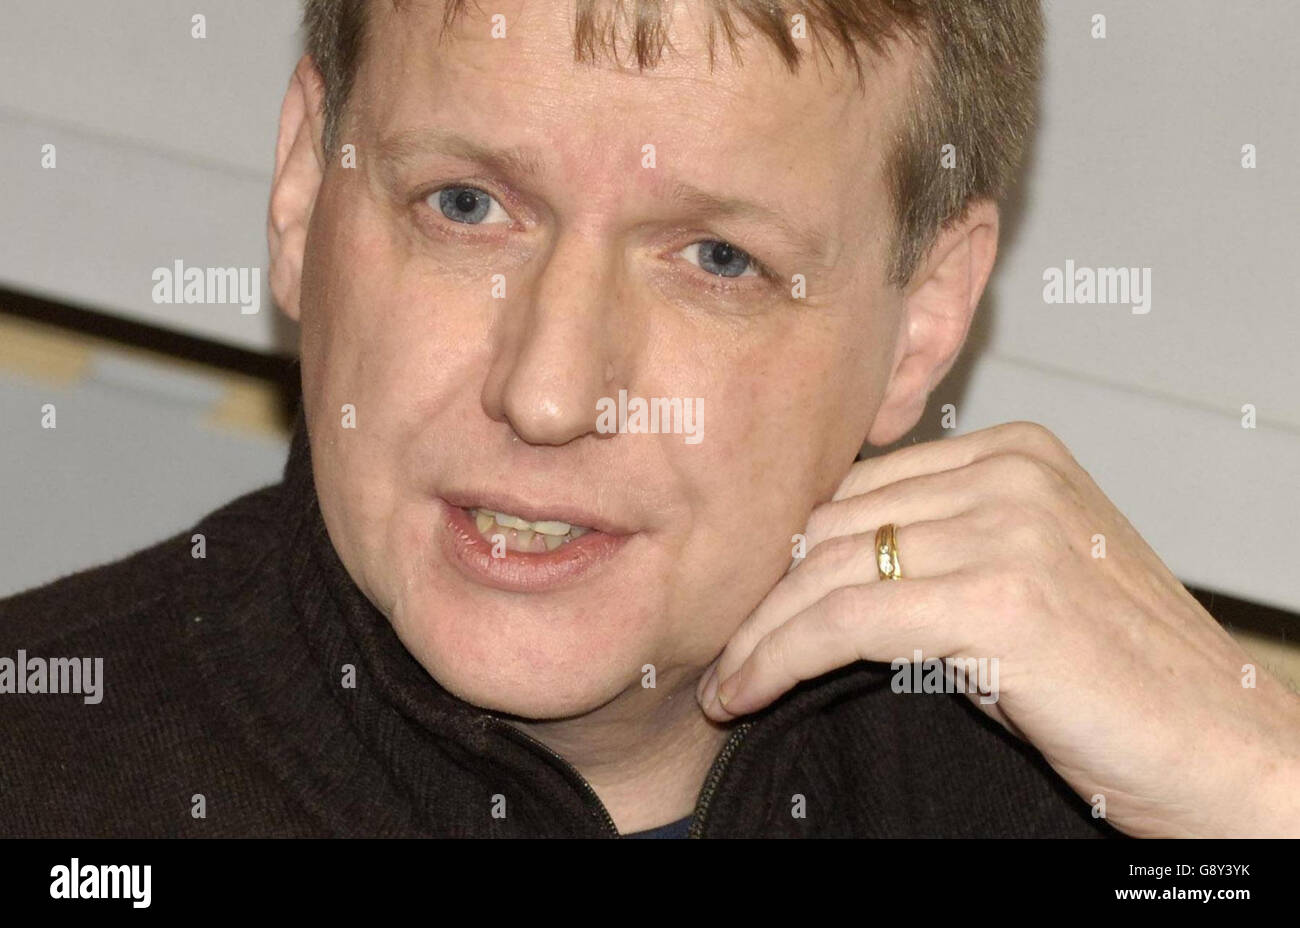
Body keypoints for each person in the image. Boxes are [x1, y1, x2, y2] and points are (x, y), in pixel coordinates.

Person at [2, 0, 1296, 838]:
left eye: (717, 261)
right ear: (302, 192)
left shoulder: (1101, 812)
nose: (549, 392)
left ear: (921, 323)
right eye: (465, 205)